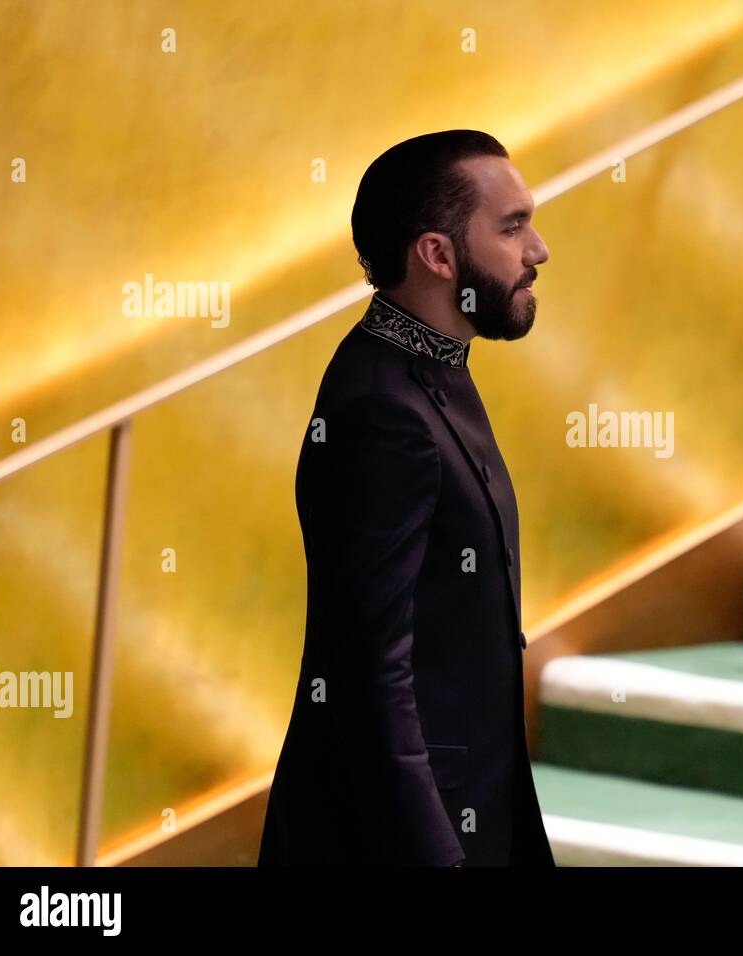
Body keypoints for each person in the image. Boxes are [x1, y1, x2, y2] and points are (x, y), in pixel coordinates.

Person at [258, 130, 554, 866]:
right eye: (512, 226)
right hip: (398, 834)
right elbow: (367, 674)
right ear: (438, 255)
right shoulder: (380, 409)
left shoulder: (428, 367)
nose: (538, 250)